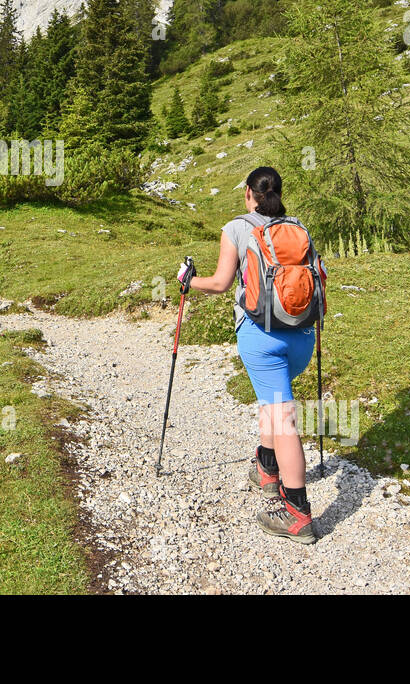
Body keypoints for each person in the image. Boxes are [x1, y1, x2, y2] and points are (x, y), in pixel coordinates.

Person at [176, 166, 318, 544]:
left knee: (281, 414)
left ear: (248, 194)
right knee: (273, 400)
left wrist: (189, 280)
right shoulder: (298, 227)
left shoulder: (237, 227)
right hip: (303, 338)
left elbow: (222, 284)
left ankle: (297, 513)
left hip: (262, 339)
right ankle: (267, 468)